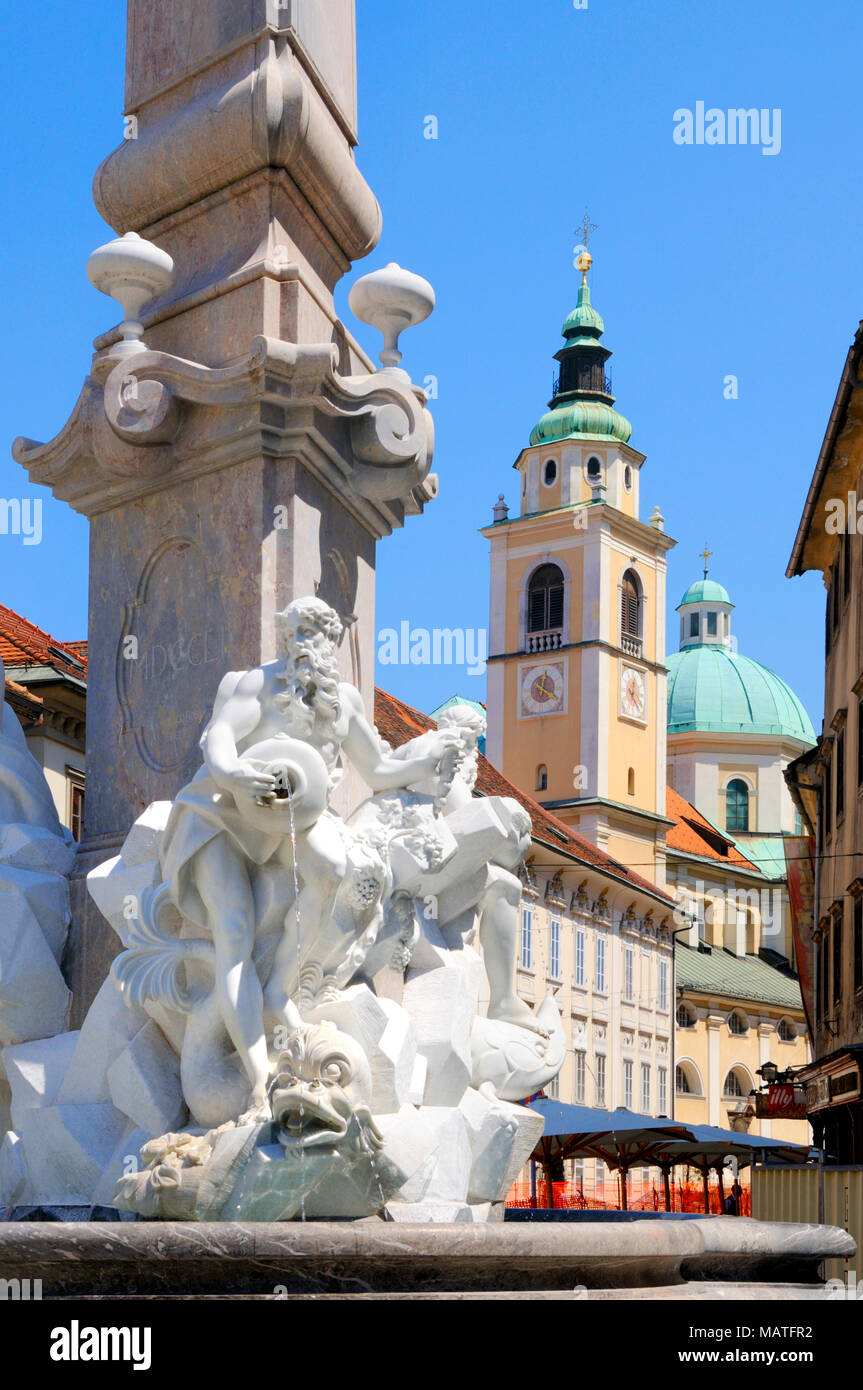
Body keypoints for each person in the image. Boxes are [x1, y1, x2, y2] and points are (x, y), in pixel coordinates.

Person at [158, 597, 459, 1110]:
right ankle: (257, 1076)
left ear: (334, 644)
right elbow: (221, 739)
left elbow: (380, 770)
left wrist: (428, 757)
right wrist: (232, 775)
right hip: (220, 817)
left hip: (290, 821)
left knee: (334, 867)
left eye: (321, 634)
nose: (309, 643)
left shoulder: (342, 704)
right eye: (299, 632)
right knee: (234, 928)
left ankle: (279, 990)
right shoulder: (254, 683)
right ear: (285, 637)